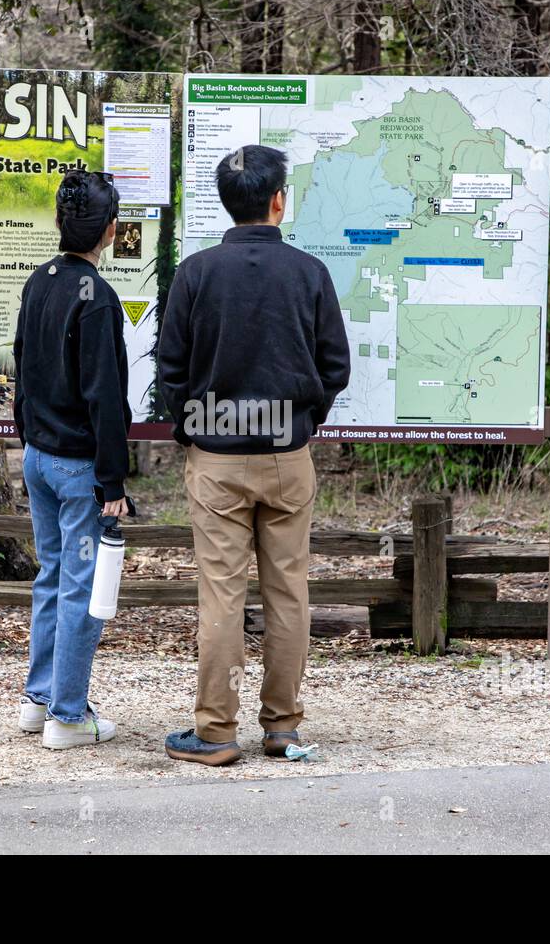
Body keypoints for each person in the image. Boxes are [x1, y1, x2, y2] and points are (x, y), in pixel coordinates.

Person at [157, 145, 351, 766]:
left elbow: (171, 371)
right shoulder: (309, 272)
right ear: (277, 201)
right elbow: (335, 367)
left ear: (226, 202)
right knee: (288, 593)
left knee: (221, 594)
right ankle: (283, 728)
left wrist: (194, 429)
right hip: (287, 454)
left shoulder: (196, 273)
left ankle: (216, 731)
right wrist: (303, 420)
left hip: (216, 456)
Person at [13, 169, 131, 750]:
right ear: (110, 230)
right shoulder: (98, 299)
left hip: (38, 456)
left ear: (60, 221)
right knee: (80, 589)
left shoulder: (39, 281)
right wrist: (114, 480)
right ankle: (67, 716)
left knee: (52, 576)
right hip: (79, 465)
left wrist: (27, 438)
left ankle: (39, 700)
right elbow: (105, 397)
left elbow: (21, 365)